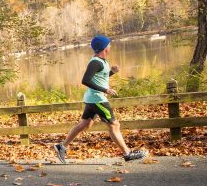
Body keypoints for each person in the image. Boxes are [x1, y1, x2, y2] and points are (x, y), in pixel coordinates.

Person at [54, 35, 148, 164]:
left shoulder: (101, 61)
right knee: (114, 125)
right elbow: (85, 80)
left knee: (85, 124)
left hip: (92, 98)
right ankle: (127, 154)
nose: (110, 46)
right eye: (109, 44)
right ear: (105, 48)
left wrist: (112, 73)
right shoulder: (96, 62)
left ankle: (62, 146)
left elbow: (99, 78)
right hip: (98, 99)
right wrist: (105, 90)